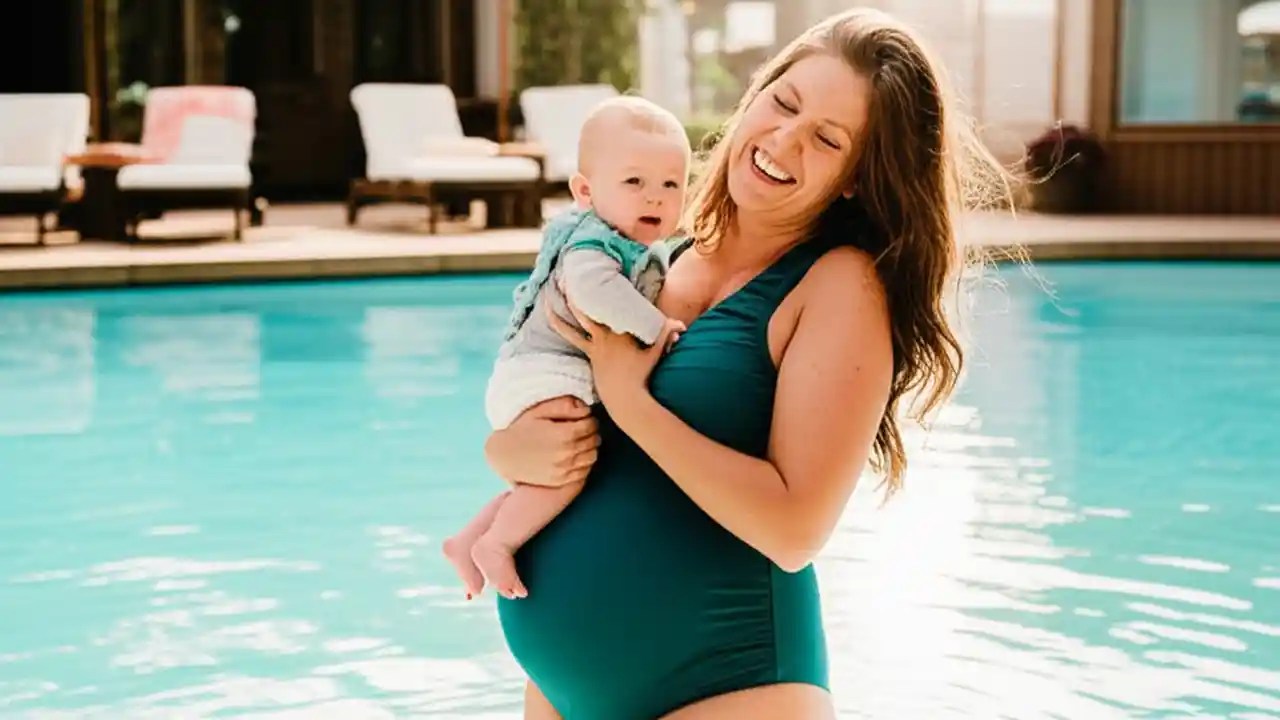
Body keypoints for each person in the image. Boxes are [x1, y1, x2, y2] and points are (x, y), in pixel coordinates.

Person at [482, 8, 1014, 719]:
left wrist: (631, 402)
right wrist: (505, 448)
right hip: (563, 688)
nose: (784, 140)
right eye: (783, 103)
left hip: (729, 684)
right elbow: (576, 426)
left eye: (827, 140)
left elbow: (795, 530)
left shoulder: (839, 285)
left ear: (856, 178)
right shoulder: (655, 261)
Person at [444, 96, 692, 602]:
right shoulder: (592, 245)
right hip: (543, 373)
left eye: (671, 184)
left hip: (538, 372)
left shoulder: (634, 243)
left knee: (549, 476)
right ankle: (498, 542)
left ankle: (469, 538)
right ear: (585, 191)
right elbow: (593, 292)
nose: (656, 199)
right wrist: (656, 327)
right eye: (634, 182)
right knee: (569, 467)